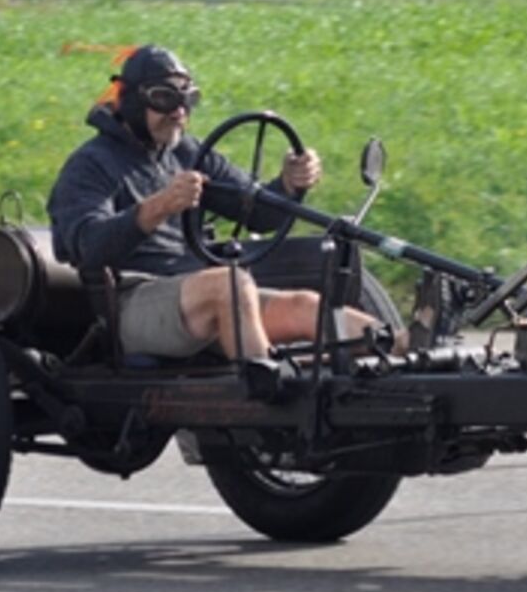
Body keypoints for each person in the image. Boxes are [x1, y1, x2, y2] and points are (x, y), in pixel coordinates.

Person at [48, 44, 379, 363]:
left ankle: (396, 352)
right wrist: (160, 206)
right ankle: (268, 383)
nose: (179, 112)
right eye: (164, 99)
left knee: (304, 306)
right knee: (229, 285)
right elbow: (89, 247)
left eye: (187, 99)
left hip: (204, 296)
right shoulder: (90, 165)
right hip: (132, 303)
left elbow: (258, 213)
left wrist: (289, 184)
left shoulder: (188, 153)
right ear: (132, 100)